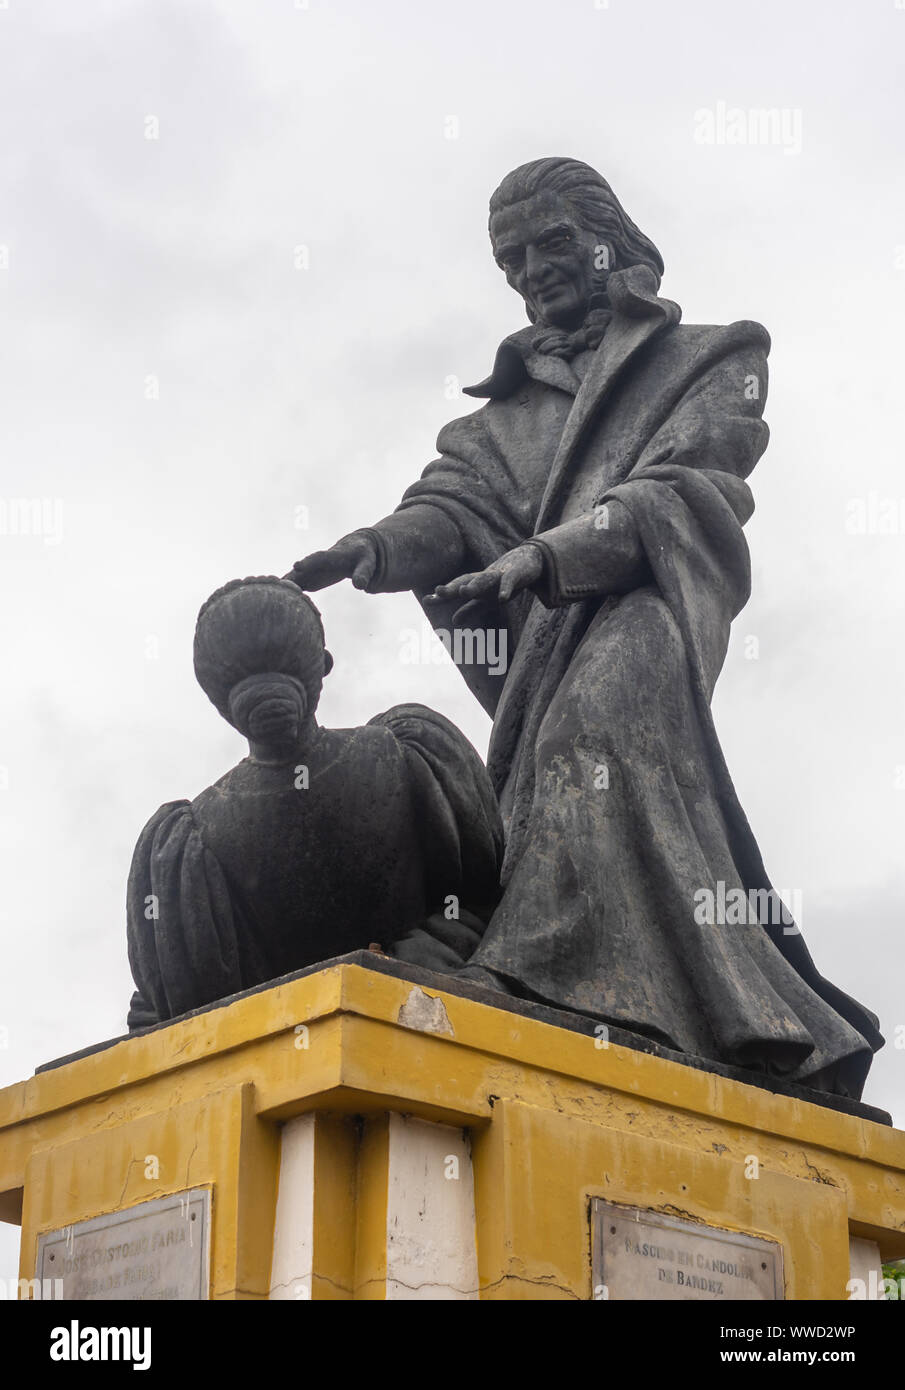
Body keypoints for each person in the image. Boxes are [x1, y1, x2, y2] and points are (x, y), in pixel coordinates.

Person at [288, 157, 882, 1098]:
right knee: (536, 784)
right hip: (541, 649)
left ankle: (538, 970)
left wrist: (550, 556)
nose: (532, 271)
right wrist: (372, 550)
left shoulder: (714, 355)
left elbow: (695, 484)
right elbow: (449, 507)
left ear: (611, 236)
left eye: (551, 243)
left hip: (652, 603)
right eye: (510, 258)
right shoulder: (494, 421)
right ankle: (642, 996)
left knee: (593, 733)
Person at [126, 577, 502, 1029]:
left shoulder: (185, 841)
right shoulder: (408, 753)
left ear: (213, 696)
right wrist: (405, 964)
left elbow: (188, 1008)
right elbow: (485, 899)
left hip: (282, 1065)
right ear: (323, 665)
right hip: (436, 1029)